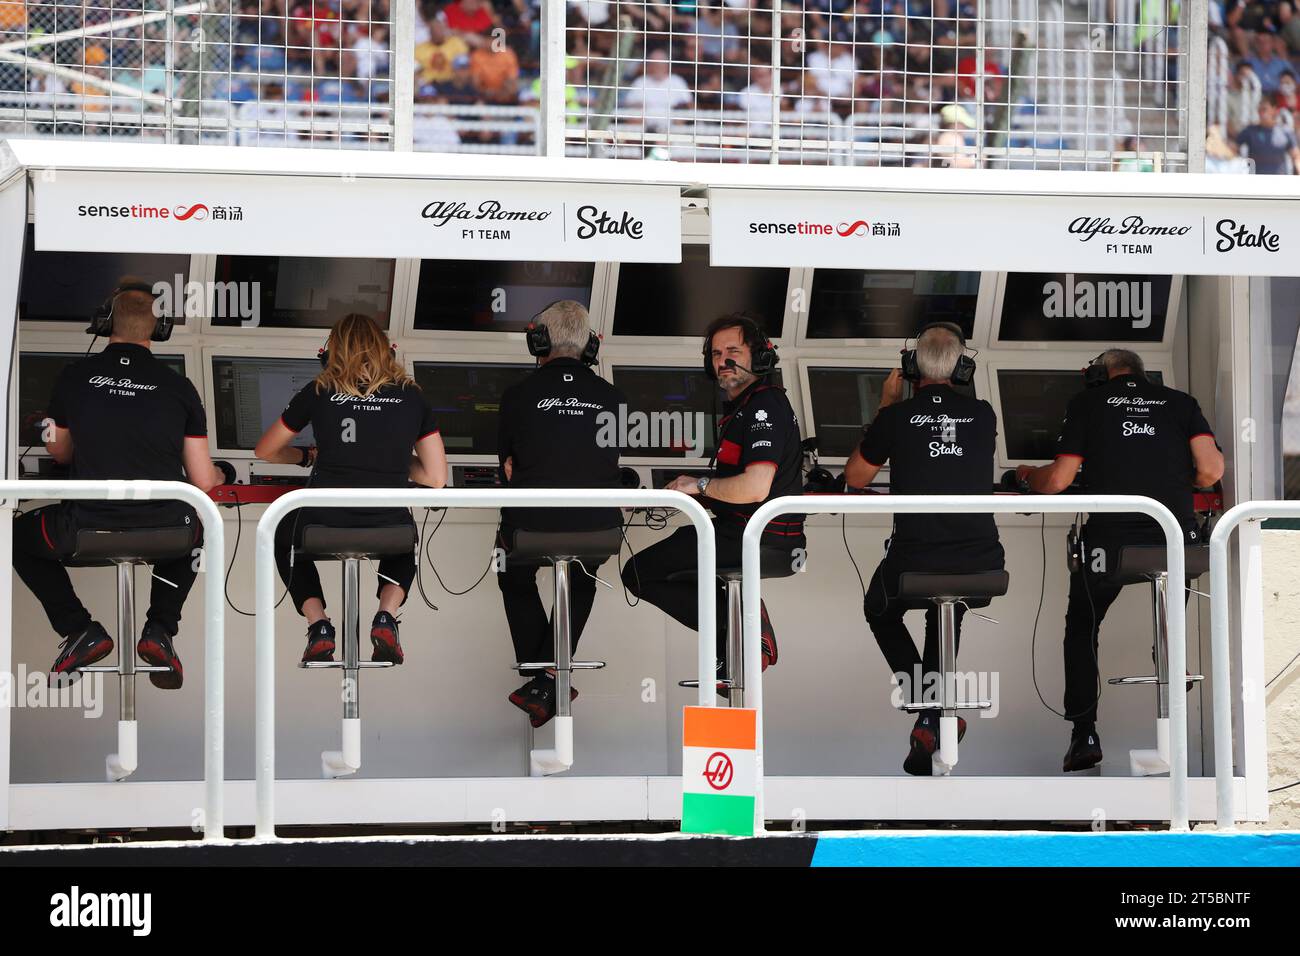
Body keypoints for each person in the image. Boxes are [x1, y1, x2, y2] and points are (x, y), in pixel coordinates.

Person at [1017, 349, 1224, 772]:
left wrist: (1024, 475)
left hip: (1111, 545)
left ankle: (1084, 733)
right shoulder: (1181, 403)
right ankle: (1170, 695)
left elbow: (1057, 480)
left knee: (1082, 626)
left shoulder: (1087, 403)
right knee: (1170, 627)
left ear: (1097, 376)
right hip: (1174, 541)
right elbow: (1210, 471)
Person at [13, 279, 220, 688]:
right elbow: (202, 480)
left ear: (105, 323)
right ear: (159, 330)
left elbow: (61, 453)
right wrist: (222, 474)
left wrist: (41, 425)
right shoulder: (180, 387)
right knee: (195, 533)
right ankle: (160, 629)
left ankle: (79, 630)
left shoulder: (75, 376)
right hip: (167, 533)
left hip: (85, 530)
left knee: (13, 537)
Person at [843, 322, 1005, 775]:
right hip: (981, 560)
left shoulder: (895, 417)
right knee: (945, 607)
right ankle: (933, 715)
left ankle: (930, 710)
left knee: (879, 607)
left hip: (914, 559)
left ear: (911, 367)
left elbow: (855, 478)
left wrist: (885, 406)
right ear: (964, 368)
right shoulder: (985, 414)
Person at [621, 313, 804, 686]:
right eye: (717, 354)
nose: (724, 360)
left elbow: (754, 487)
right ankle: (736, 644)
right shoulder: (746, 407)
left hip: (757, 539)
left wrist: (700, 487)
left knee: (639, 573)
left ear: (761, 356)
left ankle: (743, 633)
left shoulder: (763, 406)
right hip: (745, 533)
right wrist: (679, 493)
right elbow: (733, 486)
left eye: (733, 351)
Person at [255, 313, 447, 665]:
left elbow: (265, 450)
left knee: (283, 535)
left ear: (332, 351)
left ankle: (320, 624)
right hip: (387, 527)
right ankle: (386, 616)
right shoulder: (412, 396)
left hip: (323, 524)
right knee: (404, 543)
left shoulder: (318, 390)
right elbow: (436, 477)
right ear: (386, 351)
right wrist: (392, 459)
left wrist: (302, 457)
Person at [496, 301, 625, 727]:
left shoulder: (515, 396)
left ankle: (542, 676)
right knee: (584, 572)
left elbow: (508, 469)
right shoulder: (612, 397)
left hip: (530, 529)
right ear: (591, 346)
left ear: (539, 340)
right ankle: (551, 676)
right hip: (601, 531)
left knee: (510, 571)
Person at [1234, 98, 1300, 174]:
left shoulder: (1286, 131)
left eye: (1264, 109)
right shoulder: (1249, 131)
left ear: (1274, 110)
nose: (1261, 113)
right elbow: (1233, 149)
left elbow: (1296, 157)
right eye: (1259, 110)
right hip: (1255, 181)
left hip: (1279, 181)